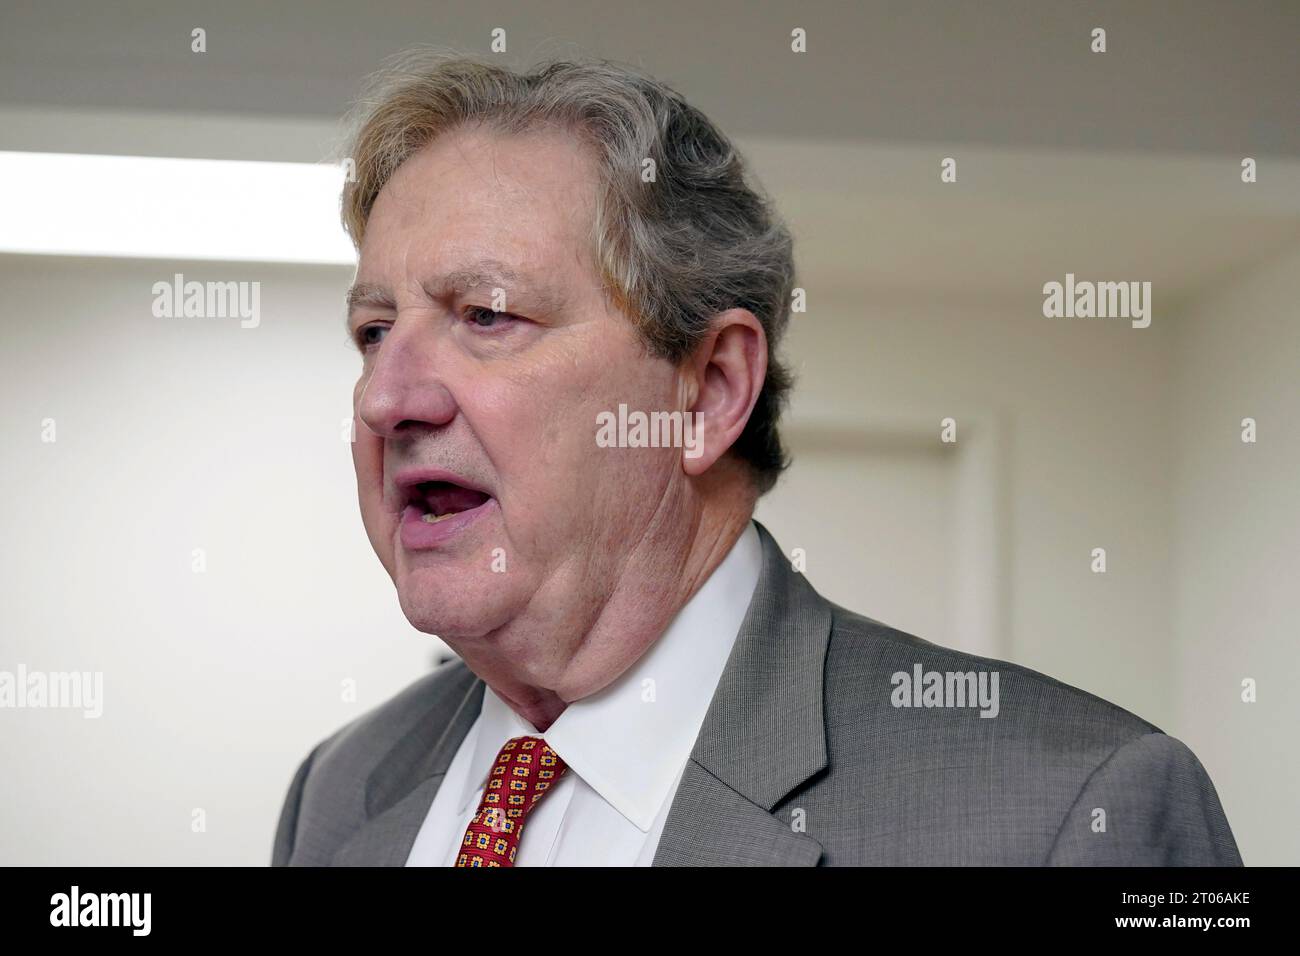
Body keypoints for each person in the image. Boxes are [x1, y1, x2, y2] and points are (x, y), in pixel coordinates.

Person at [272, 55, 1241, 866]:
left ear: (707, 391)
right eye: (372, 330)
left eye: (485, 315)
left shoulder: (1073, 811)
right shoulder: (339, 792)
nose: (385, 397)